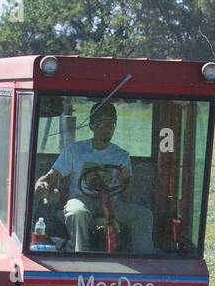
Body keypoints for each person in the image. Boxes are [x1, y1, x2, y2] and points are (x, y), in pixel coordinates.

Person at [34, 102, 155, 252]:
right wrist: (40, 183)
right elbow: (51, 176)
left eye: (111, 124)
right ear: (91, 126)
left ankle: (144, 261)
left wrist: (125, 180)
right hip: (81, 199)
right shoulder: (75, 150)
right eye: (102, 124)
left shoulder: (121, 155)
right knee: (76, 212)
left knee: (144, 215)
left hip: (112, 202)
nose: (107, 129)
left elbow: (127, 195)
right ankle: (81, 257)